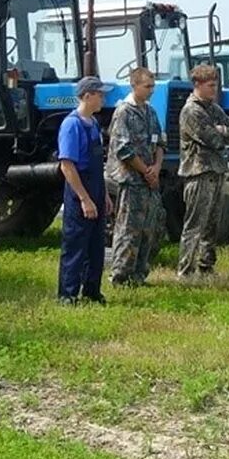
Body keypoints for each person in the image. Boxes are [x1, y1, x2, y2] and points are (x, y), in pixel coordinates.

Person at [57, 75, 114, 305]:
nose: (103, 99)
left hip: (97, 189)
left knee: (95, 246)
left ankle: (91, 291)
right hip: (80, 191)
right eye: (100, 94)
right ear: (87, 95)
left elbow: (98, 163)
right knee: (76, 245)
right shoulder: (72, 124)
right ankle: (67, 294)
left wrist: (105, 195)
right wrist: (84, 199)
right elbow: (67, 166)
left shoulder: (94, 123)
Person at [108, 67, 166, 286]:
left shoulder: (150, 112)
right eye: (147, 86)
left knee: (147, 230)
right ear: (135, 85)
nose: (151, 91)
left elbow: (159, 142)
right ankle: (120, 276)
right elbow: (123, 149)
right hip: (131, 180)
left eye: (153, 86)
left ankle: (139, 275)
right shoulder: (124, 112)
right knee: (128, 230)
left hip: (150, 179)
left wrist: (156, 168)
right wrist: (145, 171)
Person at [177, 64, 229, 278]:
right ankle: (186, 271)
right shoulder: (191, 110)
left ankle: (206, 266)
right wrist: (220, 131)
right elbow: (212, 140)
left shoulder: (212, 107)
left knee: (212, 225)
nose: (214, 89)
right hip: (198, 172)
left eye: (215, 85)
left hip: (216, 170)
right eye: (210, 85)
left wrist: (221, 130)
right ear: (198, 85)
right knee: (194, 226)